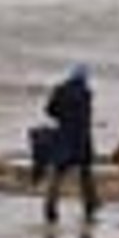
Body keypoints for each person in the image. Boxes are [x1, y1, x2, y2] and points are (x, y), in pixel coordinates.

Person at [40, 63, 99, 225]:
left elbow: (49, 110)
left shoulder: (59, 90)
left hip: (64, 136)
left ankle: (50, 208)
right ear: (84, 77)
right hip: (82, 138)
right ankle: (90, 205)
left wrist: (61, 117)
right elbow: (86, 118)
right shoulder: (86, 94)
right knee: (85, 174)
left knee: (57, 174)